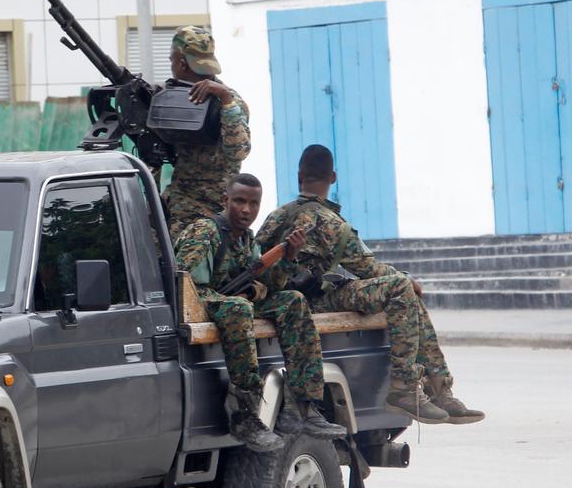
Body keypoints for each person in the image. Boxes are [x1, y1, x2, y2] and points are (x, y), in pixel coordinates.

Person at [256, 145, 484, 425]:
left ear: (299, 175)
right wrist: (408, 280)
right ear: (334, 177)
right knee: (401, 287)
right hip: (315, 301)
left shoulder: (274, 217)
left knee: (402, 287)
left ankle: (437, 390)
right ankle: (414, 388)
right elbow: (368, 269)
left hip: (279, 300)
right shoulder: (332, 224)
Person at [178, 173, 347, 452]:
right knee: (238, 307)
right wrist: (236, 297)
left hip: (231, 303)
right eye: (240, 201)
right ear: (225, 200)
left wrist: (288, 257)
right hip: (204, 302)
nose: (247, 210)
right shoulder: (205, 232)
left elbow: (270, 285)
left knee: (292, 300)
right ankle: (244, 412)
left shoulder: (247, 239)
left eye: (254, 204)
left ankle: (303, 407)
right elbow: (186, 285)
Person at [162, 25, 251, 238]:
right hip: (178, 208)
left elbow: (239, 151)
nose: (171, 64)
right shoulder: (174, 97)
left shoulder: (229, 100)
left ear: (181, 63)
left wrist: (226, 101)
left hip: (212, 218)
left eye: (171, 59)